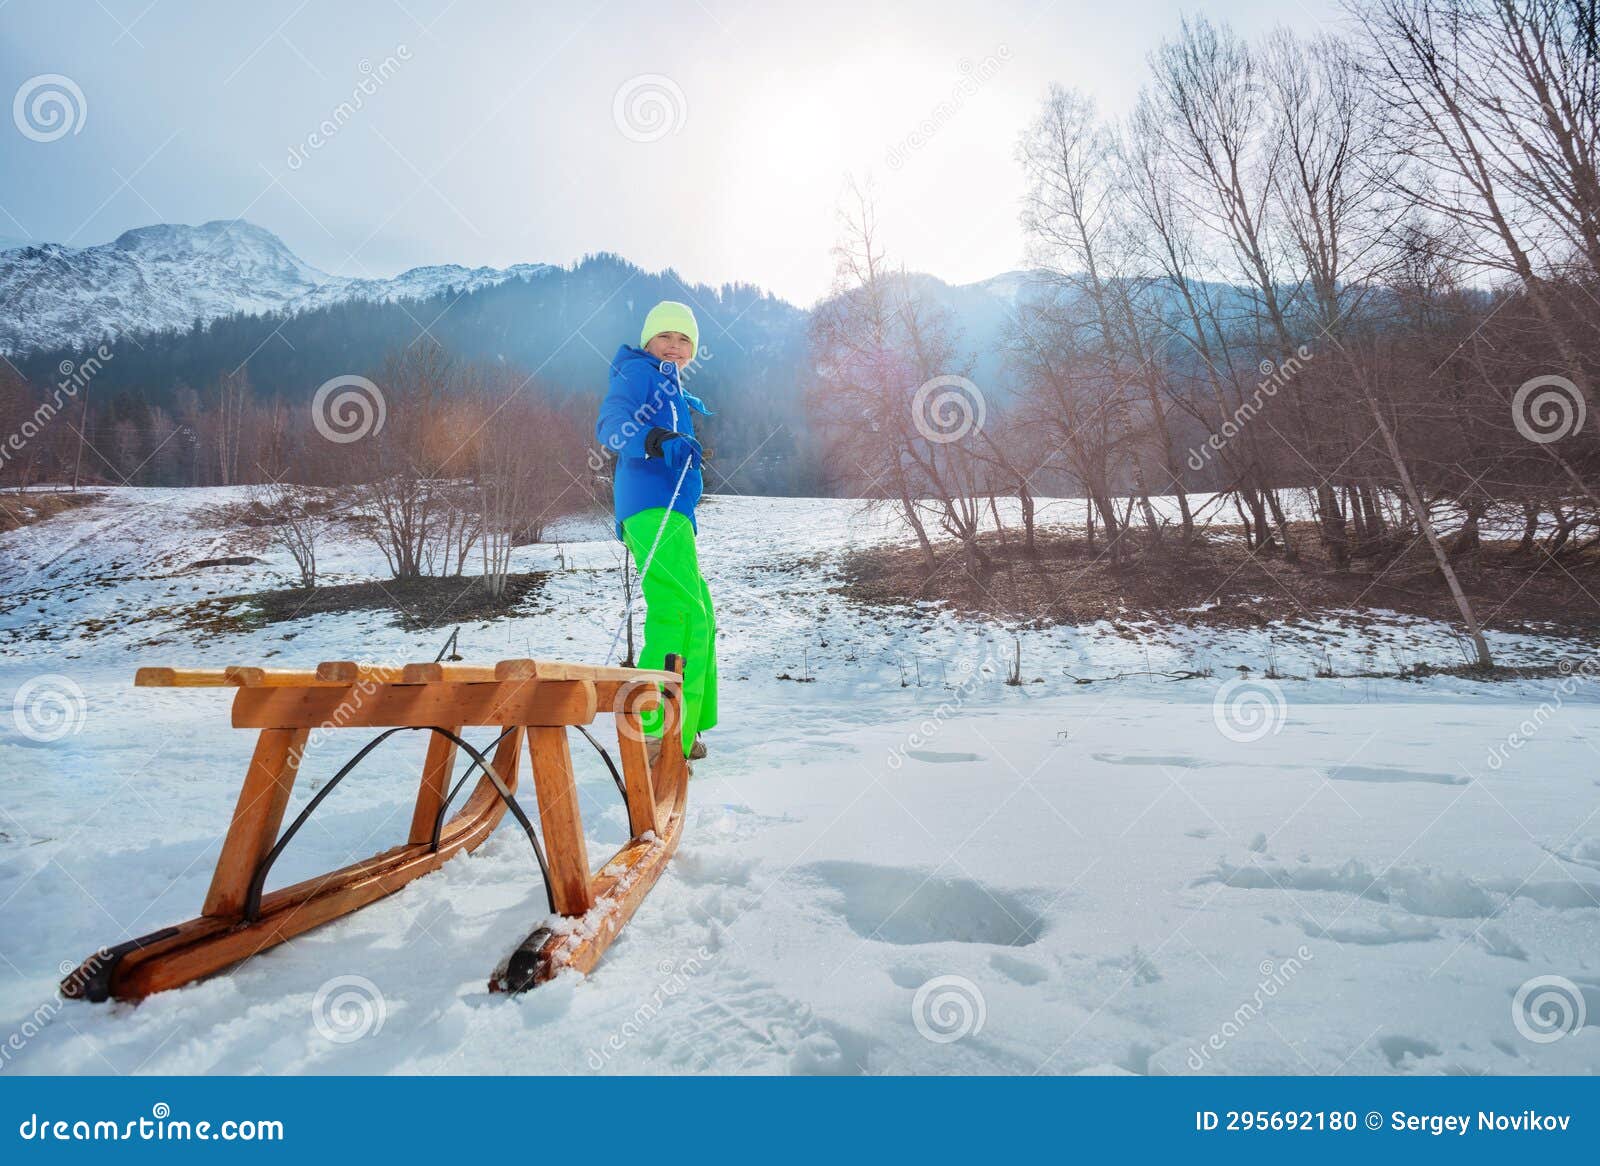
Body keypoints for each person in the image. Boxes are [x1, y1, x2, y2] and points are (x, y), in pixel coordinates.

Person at [595, 300, 718, 766]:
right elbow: (610, 425)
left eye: (684, 339)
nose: (674, 344)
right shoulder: (636, 373)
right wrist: (654, 440)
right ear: (648, 341)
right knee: (677, 606)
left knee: (699, 607)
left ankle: (685, 725)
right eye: (665, 336)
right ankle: (652, 733)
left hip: (673, 511)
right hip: (649, 506)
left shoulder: (672, 389)